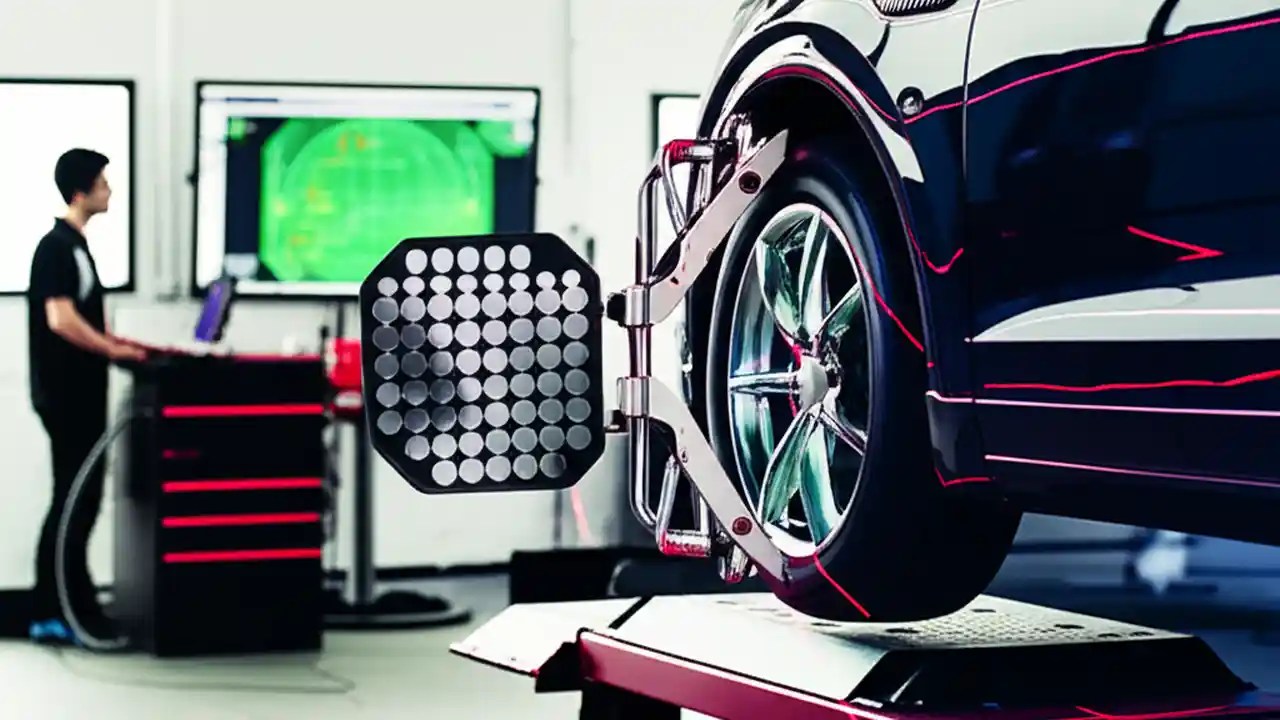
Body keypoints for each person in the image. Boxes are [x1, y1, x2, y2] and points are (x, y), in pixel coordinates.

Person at [26, 148, 147, 645]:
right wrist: (113, 351)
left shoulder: (75, 246)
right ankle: (55, 612)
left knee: (82, 500)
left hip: (79, 394)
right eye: (103, 183)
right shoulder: (55, 247)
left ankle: (74, 603)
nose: (110, 191)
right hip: (66, 398)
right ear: (81, 191)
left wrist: (119, 346)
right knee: (73, 499)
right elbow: (61, 318)